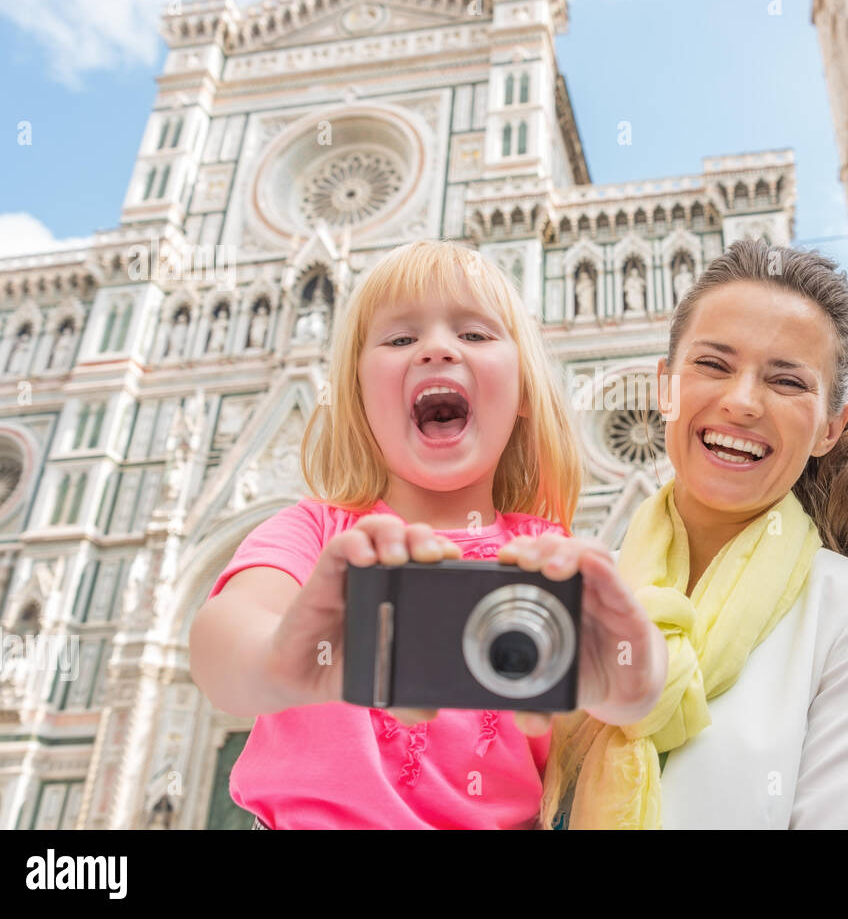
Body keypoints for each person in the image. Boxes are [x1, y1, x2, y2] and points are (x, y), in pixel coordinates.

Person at [189, 240, 665, 829]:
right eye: (399, 339)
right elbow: (222, 643)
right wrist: (280, 659)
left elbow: (621, 690)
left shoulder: (546, 556)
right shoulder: (318, 536)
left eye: (474, 335)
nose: (437, 348)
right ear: (359, 397)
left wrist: (633, 676)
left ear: (521, 395)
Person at [504, 239, 848, 828]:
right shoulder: (568, 596)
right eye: (712, 365)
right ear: (664, 388)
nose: (741, 402)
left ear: (830, 429)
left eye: (787, 382)